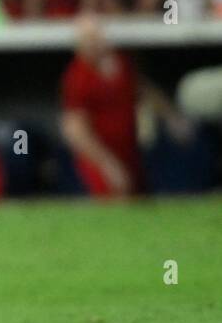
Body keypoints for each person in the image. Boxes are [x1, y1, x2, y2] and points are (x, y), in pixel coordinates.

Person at [60, 13, 191, 197]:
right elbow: (75, 130)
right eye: (86, 40)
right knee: (114, 200)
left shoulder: (122, 63)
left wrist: (171, 117)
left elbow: (143, 91)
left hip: (129, 151)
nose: (92, 44)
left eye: (95, 37)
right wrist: (107, 164)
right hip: (99, 158)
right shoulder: (77, 77)